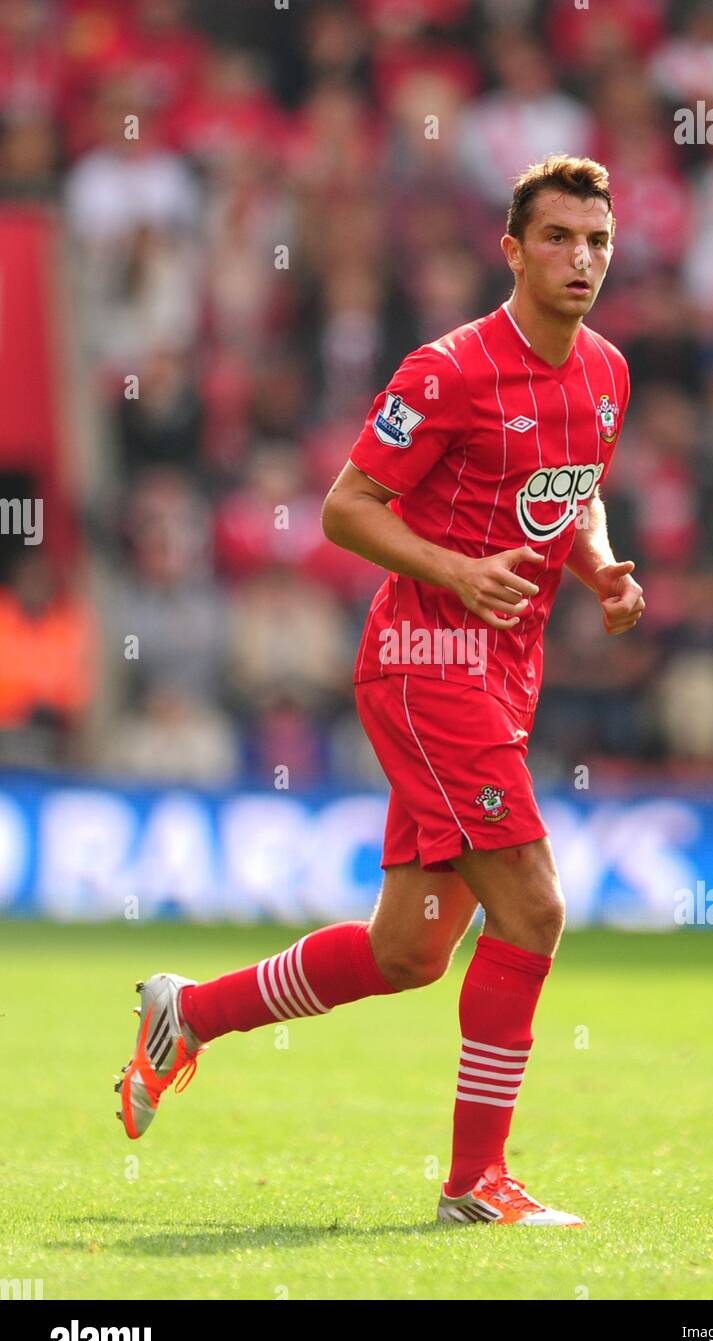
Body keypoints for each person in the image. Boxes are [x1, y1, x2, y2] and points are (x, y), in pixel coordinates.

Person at [114, 154, 645, 1226]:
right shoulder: (445, 370)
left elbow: (574, 494)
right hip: (424, 664)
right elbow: (345, 509)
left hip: (506, 676)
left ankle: (190, 1013)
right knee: (534, 906)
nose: (578, 258)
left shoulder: (606, 374)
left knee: (408, 950)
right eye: (556, 237)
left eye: (594, 240)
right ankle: (472, 1184)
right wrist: (454, 570)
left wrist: (599, 566)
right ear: (512, 249)